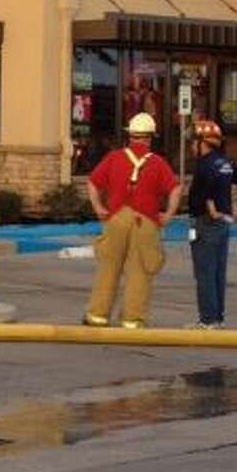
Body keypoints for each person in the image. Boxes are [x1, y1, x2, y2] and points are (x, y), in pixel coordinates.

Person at [84, 111, 182, 328]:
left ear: (130, 136)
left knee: (109, 267)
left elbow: (92, 183)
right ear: (149, 138)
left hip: (116, 217)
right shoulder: (158, 163)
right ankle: (132, 320)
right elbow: (175, 189)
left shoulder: (114, 157)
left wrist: (99, 207)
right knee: (140, 270)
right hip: (145, 220)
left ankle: (97, 316)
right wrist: (168, 214)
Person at [186, 118, 237, 328]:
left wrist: (209, 204)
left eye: (194, 142)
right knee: (218, 272)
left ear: (203, 143)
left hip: (205, 222)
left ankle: (207, 320)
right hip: (222, 223)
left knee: (204, 272)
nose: (192, 146)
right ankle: (217, 318)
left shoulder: (204, 163)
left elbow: (208, 182)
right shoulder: (224, 162)